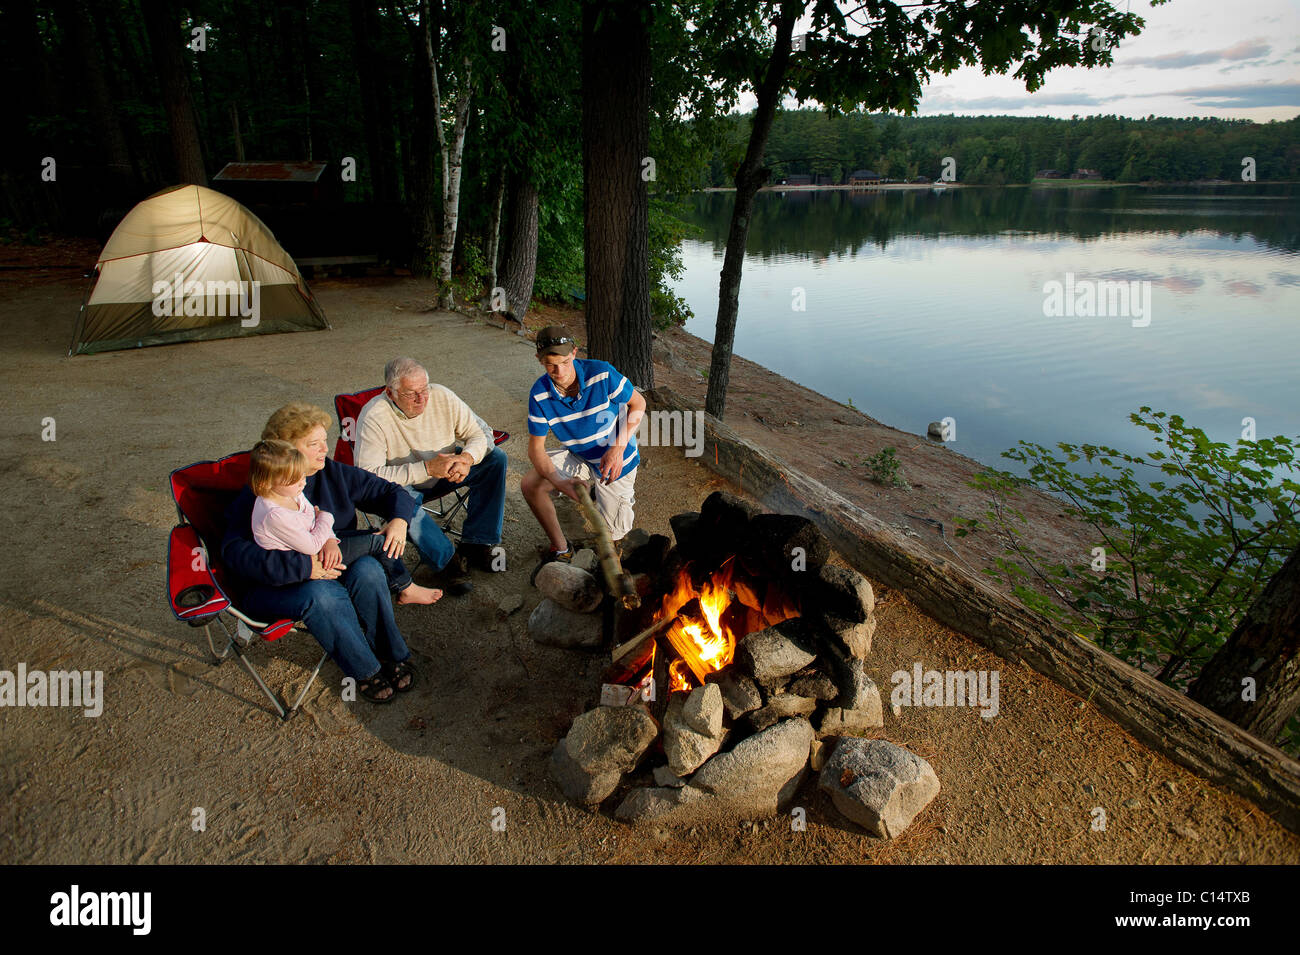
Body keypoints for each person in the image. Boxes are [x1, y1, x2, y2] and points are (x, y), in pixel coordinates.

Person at [221, 403, 421, 704]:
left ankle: (391, 655)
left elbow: (392, 492)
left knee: (367, 570)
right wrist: (302, 567)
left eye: (324, 440)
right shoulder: (263, 493)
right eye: (313, 444)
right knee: (323, 594)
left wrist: (399, 520)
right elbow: (234, 552)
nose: (323, 449)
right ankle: (365, 670)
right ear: (285, 451)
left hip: (334, 563)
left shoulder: (331, 472)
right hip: (278, 585)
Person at [354, 357, 508, 595]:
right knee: (401, 499)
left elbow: (479, 433)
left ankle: (477, 543)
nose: (422, 398)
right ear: (390, 392)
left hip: (444, 471)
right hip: (403, 484)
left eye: (424, 389)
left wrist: (466, 458)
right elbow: (368, 476)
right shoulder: (374, 415)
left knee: (495, 459)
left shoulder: (442, 396)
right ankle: (448, 563)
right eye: (411, 393)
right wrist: (426, 469)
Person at [247, 438, 441, 606]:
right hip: (304, 559)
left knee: (372, 535)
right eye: (314, 443)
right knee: (379, 542)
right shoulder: (273, 511)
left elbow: (314, 520)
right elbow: (312, 541)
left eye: (301, 476)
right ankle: (406, 587)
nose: (302, 482)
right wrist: (326, 517)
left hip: (320, 542)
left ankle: (399, 584)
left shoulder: (291, 492)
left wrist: (328, 534)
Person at [521, 327, 645, 561]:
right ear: (539, 360)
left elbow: (639, 405)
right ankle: (562, 550)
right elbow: (535, 449)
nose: (560, 372)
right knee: (531, 485)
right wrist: (560, 482)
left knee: (614, 537)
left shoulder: (602, 373)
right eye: (551, 365)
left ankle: (602, 495)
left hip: (617, 459)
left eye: (566, 362)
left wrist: (617, 448)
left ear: (575, 353)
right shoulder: (539, 394)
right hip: (579, 455)